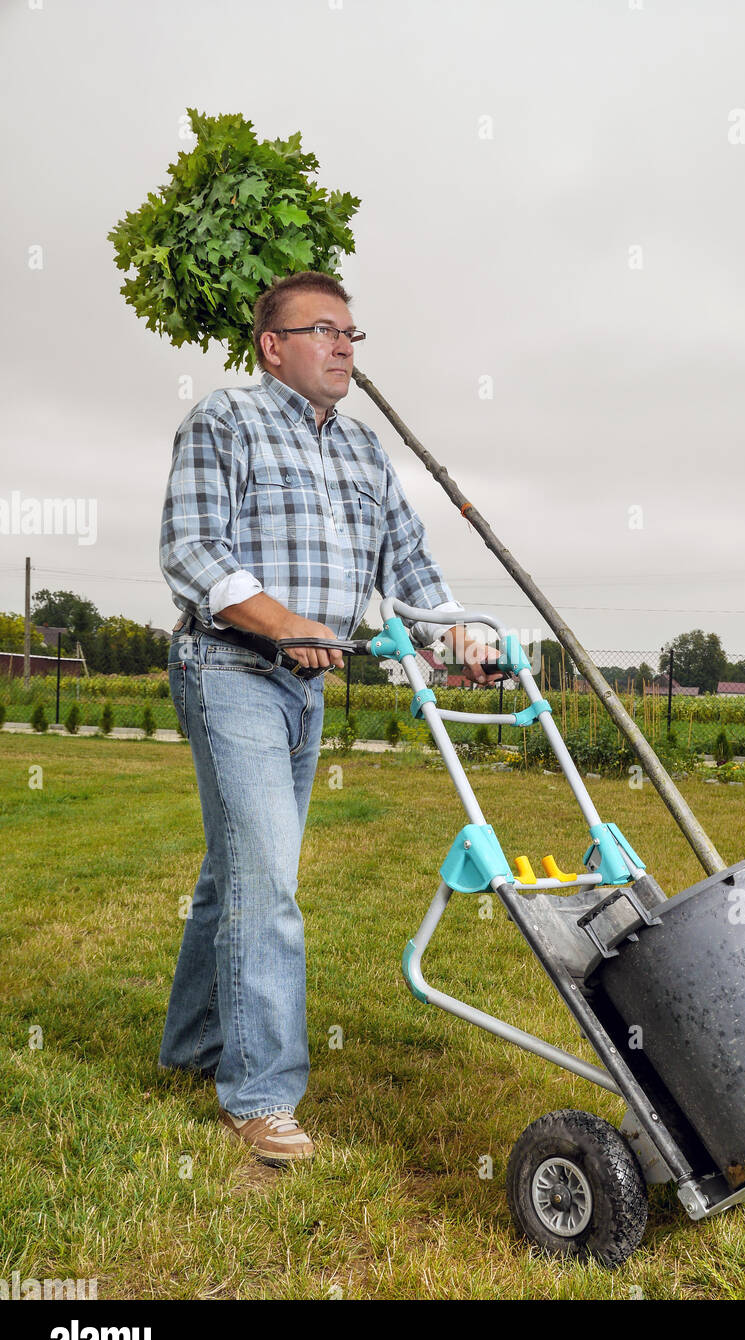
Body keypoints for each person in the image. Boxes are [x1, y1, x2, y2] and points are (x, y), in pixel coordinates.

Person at [158, 270, 499, 1165]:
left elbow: (409, 561)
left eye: (352, 333)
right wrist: (285, 623)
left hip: (309, 683)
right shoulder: (225, 420)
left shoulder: (361, 450)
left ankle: (192, 1048)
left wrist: (457, 635)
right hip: (228, 665)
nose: (346, 347)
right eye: (325, 331)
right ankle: (260, 1099)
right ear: (274, 346)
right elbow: (192, 552)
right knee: (269, 879)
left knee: (236, 871)